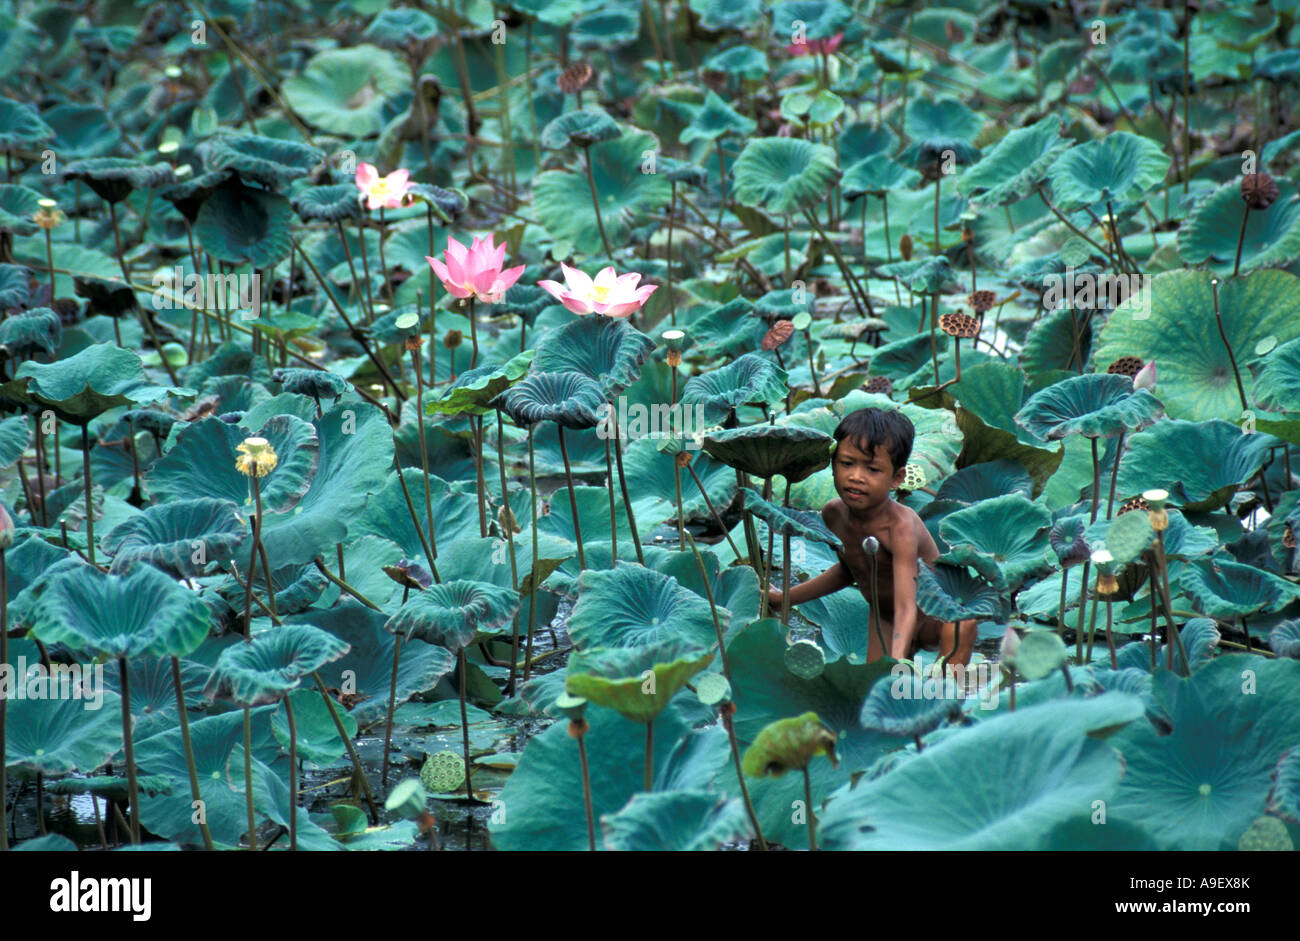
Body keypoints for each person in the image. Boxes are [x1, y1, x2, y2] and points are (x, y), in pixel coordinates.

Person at [767, 407, 976, 669]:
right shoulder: (834, 514)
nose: (856, 476)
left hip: (935, 618)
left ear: (897, 478)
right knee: (875, 694)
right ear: (832, 466)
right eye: (847, 463)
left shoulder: (900, 528)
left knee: (960, 629)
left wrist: (896, 663)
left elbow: (907, 605)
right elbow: (850, 570)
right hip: (885, 618)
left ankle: (949, 698)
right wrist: (785, 597)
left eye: (873, 469)